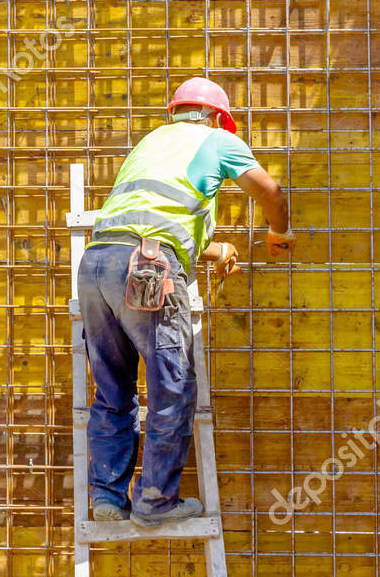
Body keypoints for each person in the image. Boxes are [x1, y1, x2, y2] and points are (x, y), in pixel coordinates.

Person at [78, 76, 294, 526]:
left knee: (113, 390)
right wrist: (279, 231)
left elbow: (154, 219)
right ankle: (155, 501)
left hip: (98, 265)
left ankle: (108, 498)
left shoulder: (152, 142)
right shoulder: (216, 140)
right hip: (146, 269)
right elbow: (270, 193)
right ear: (217, 116)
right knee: (170, 388)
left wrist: (217, 250)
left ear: (175, 111)